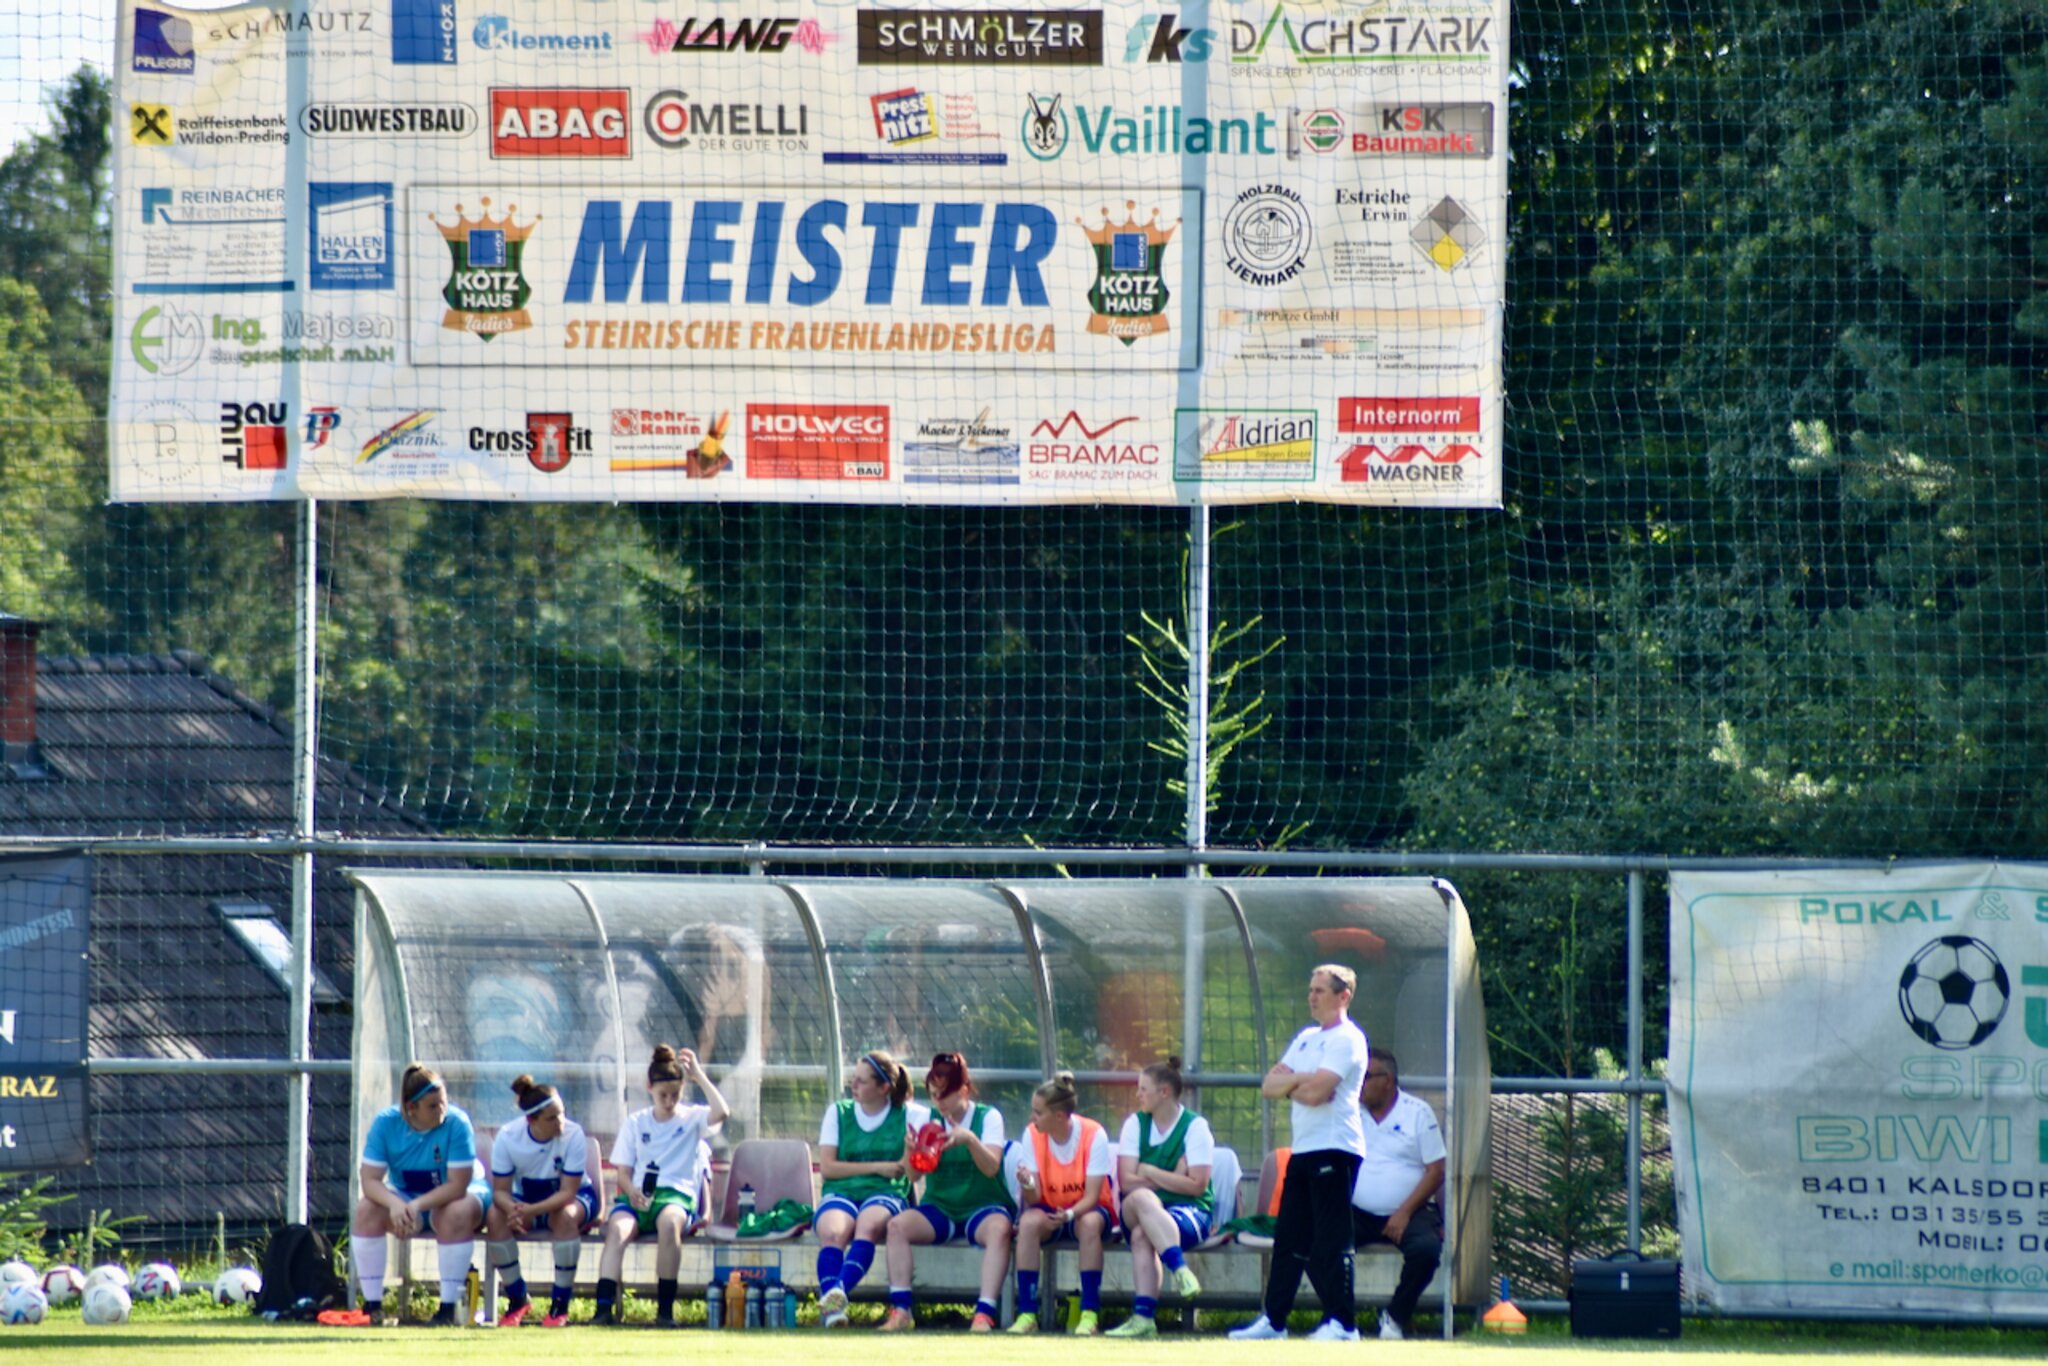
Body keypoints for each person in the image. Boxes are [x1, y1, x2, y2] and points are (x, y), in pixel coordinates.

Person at [1229, 964, 1372, 1343]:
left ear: (1344, 996)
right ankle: (1274, 1321)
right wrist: (1302, 1081)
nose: (1312, 996)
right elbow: (1269, 1086)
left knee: (1331, 1240)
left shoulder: (1349, 1039)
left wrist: (1295, 1083)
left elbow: (1314, 1093)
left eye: (1320, 990)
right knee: (1289, 1238)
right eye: (1311, 989)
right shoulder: (1306, 1038)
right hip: (1303, 1150)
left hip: (1336, 1148)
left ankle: (1343, 1324)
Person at [594, 1044, 729, 1327]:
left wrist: (699, 1076)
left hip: (676, 1196)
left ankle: (664, 1311)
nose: (669, 1101)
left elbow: (722, 1112)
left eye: (675, 1095)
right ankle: (603, 1308)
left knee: (669, 1225)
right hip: (639, 1195)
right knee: (617, 1230)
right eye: (662, 1095)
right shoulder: (636, 1123)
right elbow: (623, 1173)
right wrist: (631, 1191)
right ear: (649, 1088)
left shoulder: (692, 1118)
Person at [880, 1051, 1014, 1332]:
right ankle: (901, 1310)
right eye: (933, 1094)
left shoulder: (988, 1117)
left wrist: (969, 1140)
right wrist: (910, 1150)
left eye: (944, 1094)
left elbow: (991, 1168)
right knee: (897, 1227)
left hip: (982, 1206)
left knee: (1000, 1228)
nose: (938, 1101)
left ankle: (984, 1313)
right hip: (940, 1208)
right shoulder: (925, 1119)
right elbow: (914, 1175)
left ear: (964, 1089)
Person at [351, 1062, 492, 1327]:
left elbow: (458, 1186)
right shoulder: (386, 1123)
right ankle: (373, 1307)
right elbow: (369, 1180)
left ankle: (448, 1309)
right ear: (410, 1107)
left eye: (443, 1102)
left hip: (461, 1194)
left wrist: (414, 1206)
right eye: (433, 1105)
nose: (442, 1109)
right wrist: (395, 1204)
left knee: (455, 1212)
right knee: (365, 1209)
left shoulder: (457, 1123)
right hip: (408, 1198)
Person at [816, 1050, 929, 1328]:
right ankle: (834, 1309)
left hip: (885, 1191)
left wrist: (908, 1152)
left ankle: (837, 1292)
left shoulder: (911, 1114)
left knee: (867, 1226)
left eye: (862, 1081)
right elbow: (828, 1168)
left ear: (884, 1088)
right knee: (832, 1231)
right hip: (842, 1191)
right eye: (854, 1079)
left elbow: (911, 1172)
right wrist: (877, 1166)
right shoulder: (839, 1112)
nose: (853, 1086)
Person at [1104, 1055, 1211, 1339]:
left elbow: (1198, 1186)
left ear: (1164, 1092)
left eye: (1143, 1089)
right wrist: (1175, 1177)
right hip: (1137, 1206)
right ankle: (1179, 1268)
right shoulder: (1135, 1124)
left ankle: (1144, 1318)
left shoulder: (1195, 1127)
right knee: (1139, 1199)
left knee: (1141, 1234)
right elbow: (1126, 1181)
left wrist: (1149, 1170)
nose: (1137, 1094)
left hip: (1190, 1211)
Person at [483, 1075, 603, 1328]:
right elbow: (500, 1192)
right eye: (552, 1118)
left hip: (577, 1196)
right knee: (495, 1216)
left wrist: (530, 1210)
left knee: (565, 1216)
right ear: (531, 1120)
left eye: (561, 1113)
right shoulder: (508, 1136)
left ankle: (560, 1305)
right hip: (528, 1199)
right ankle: (518, 1299)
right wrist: (512, 1210)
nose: (560, 1122)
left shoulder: (573, 1135)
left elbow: (568, 1192)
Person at [1008, 1071, 1117, 1337]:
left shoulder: (1094, 1134)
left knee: (1089, 1223)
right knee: (1029, 1222)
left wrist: (1068, 1214)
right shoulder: (1032, 1134)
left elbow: (1092, 1196)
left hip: (1085, 1210)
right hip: (1051, 1210)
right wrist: (1027, 1183)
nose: (1032, 1118)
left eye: (1038, 1112)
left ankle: (1090, 1313)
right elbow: (1034, 1199)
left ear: (1058, 1116)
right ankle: (1027, 1312)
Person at [1350, 1050, 1445, 1340]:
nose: (1360, 1084)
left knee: (1426, 1252)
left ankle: (1394, 1317)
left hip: (1410, 1211)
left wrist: (1403, 1213)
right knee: (1318, 1243)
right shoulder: (1351, 1113)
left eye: (1366, 1077)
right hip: (1359, 1212)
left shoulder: (1418, 1112)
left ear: (1388, 1080)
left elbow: (1436, 1170)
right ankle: (1340, 1318)